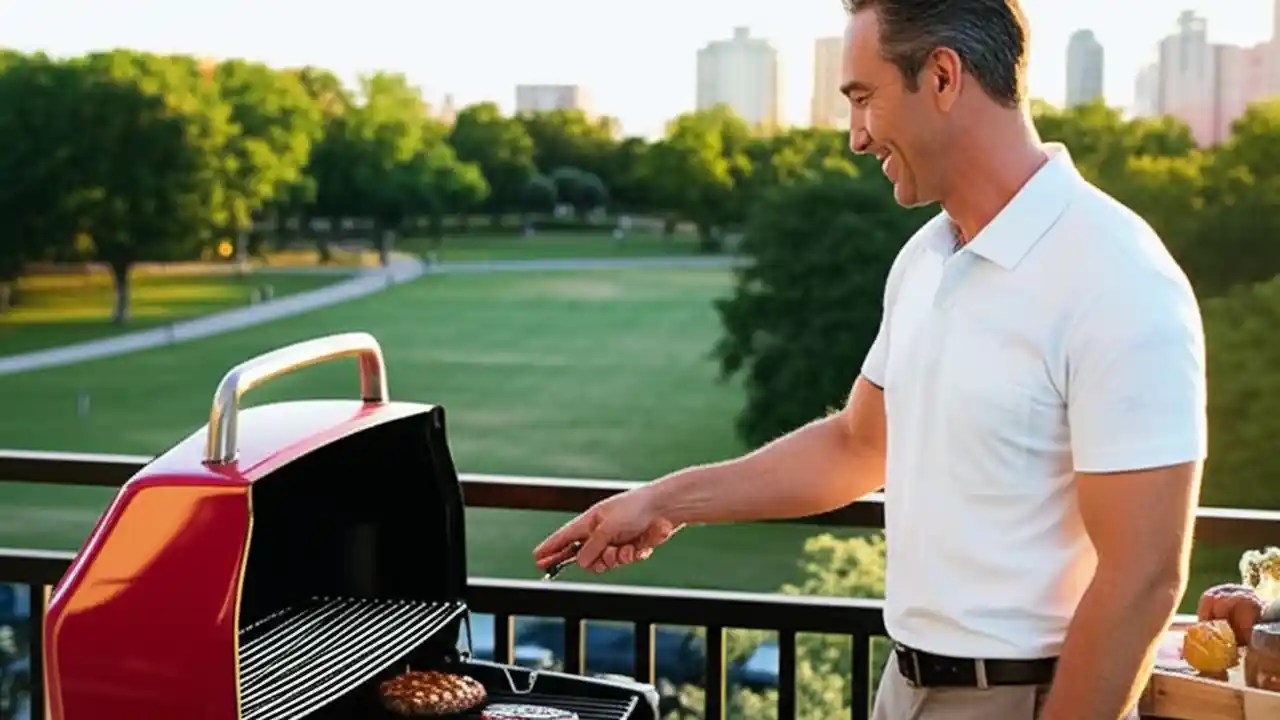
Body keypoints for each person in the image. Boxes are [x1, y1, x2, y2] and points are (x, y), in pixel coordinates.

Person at [532, 1, 1208, 717]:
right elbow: (858, 445)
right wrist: (662, 503)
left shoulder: (1119, 276)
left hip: (1029, 698)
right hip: (902, 688)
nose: (856, 136)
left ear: (943, 76)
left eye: (863, 98)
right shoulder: (926, 257)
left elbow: (1144, 577)